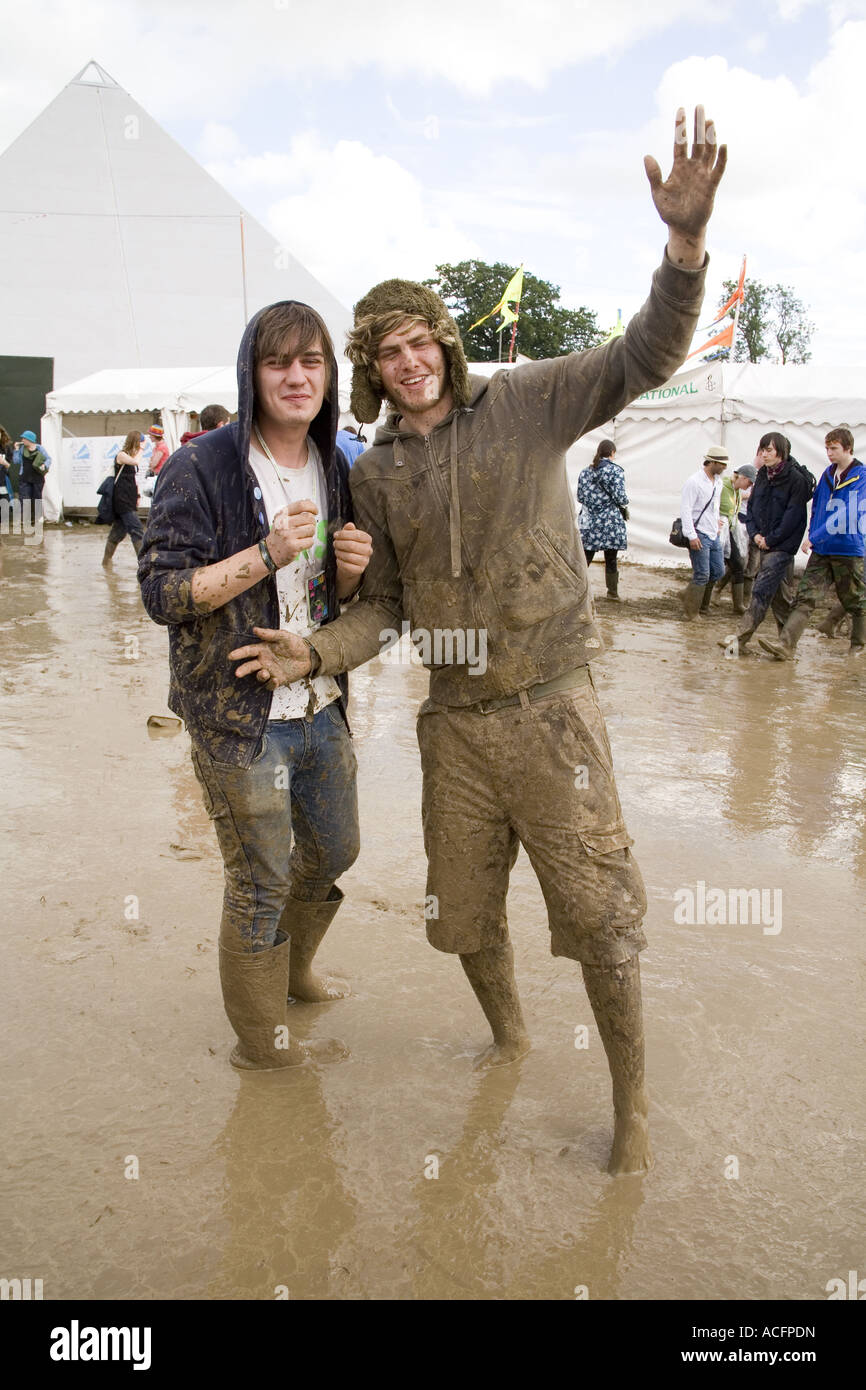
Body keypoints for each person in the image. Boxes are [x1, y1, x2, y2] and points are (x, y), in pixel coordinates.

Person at [228, 106, 727, 1175]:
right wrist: (312, 651)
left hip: (553, 708)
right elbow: (383, 610)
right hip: (453, 724)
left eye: (418, 341)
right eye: (385, 351)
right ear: (370, 369)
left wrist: (681, 246)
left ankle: (629, 1108)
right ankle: (508, 1036)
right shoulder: (379, 474)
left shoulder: (533, 403)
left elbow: (646, 351)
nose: (406, 361)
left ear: (443, 341)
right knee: (459, 915)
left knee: (600, 916)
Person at [138, 300, 373, 1071]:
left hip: (320, 699)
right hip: (238, 715)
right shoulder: (201, 465)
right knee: (260, 879)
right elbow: (162, 595)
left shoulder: (337, 464)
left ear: (329, 374)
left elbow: (339, 605)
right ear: (253, 373)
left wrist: (346, 573)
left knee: (336, 849)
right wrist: (263, 553)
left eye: (312, 362)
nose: (297, 377)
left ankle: (294, 972)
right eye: (280, 363)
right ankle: (261, 1049)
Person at [759, 426, 866, 660]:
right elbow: (817, 507)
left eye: (834, 448)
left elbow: (848, 513)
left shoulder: (862, 476)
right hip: (823, 548)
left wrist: (816, 536)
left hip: (849, 547)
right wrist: (811, 534)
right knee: (805, 596)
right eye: (827, 448)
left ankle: (858, 646)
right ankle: (786, 645)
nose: (829, 453)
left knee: (855, 599)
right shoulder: (828, 475)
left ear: (848, 448)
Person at [718, 433, 811, 656]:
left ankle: (740, 639)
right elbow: (753, 508)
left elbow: (794, 515)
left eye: (769, 450)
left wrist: (772, 539)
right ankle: (787, 645)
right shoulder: (762, 477)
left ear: (781, 452)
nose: (764, 454)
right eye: (762, 450)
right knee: (780, 597)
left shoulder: (795, 479)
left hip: (782, 545)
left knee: (760, 589)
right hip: (762, 540)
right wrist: (755, 533)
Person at [679, 445, 728, 618]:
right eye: (722, 464)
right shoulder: (694, 482)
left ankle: (692, 597)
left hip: (713, 532)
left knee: (718, 571)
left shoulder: (719, 482)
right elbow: (686, 509)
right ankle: (691, 612)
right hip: (699, 532)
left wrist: (717, 523)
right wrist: (691, 535)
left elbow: (713, 508)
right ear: (712, 462)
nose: (724, 467)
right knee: (702, 574)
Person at [577, 439, 629, 600]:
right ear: (612, 453)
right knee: (611, 557)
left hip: (590, 520)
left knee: (586, 556)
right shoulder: (615, 471)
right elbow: (621, 497)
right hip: (610, 521)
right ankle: (612, 593)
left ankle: (576, 589)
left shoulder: (585, 472)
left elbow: (580, 497)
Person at [713, 463, 755, 613]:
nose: (750, 485)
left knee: (738, 564)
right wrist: (713, 519)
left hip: (728, 531)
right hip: (718, 531)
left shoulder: (736, 491)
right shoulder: (724, 486)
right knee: (715, 566)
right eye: (749, 482)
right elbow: (713, 503)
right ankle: (700, 599)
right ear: (742, 477)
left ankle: (738, 606)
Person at [102, 432, 145, 565]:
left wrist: (137, 496)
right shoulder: (121, 455)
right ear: (135, 442)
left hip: (128, 499)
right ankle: (144, 565)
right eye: (141, 442)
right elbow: (136, 461)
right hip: (121, 500)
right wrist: (142, 448)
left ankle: (106, 562)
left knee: (118, 532)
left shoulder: (129, 457)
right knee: (137, 530)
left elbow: (130, 480)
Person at [13, 430, 51, 517]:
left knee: (37, 498)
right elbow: (16, 461)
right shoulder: (22, 449)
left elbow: (49, 459)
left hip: (37, 478)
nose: (22, 440)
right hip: (24, 478)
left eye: (24, 438)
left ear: (29, 439)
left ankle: (37, 518)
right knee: (24, 498)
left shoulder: (40, 448)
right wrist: (16, 450)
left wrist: (44, 465)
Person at [0, 426, 15, 503]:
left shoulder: (7, 447)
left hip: (2, 480)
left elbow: (8, 465)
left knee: (4, 500)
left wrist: (3, 462)